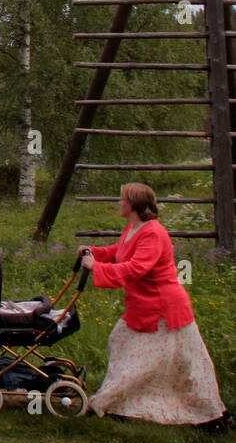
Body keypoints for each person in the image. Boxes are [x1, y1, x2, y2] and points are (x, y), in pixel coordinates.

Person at [79, 183, 230, 429]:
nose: (119, 204)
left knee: (189, 363)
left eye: (122, 200)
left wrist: (96, 267)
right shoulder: (134, 228)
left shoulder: (153, 233)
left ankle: (211, 415)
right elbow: (121, 252)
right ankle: (121, 405)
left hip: (164, 309)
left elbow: (137, 268)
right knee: (126, 347)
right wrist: (95, 253)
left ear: (134, 205)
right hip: (144, 306)